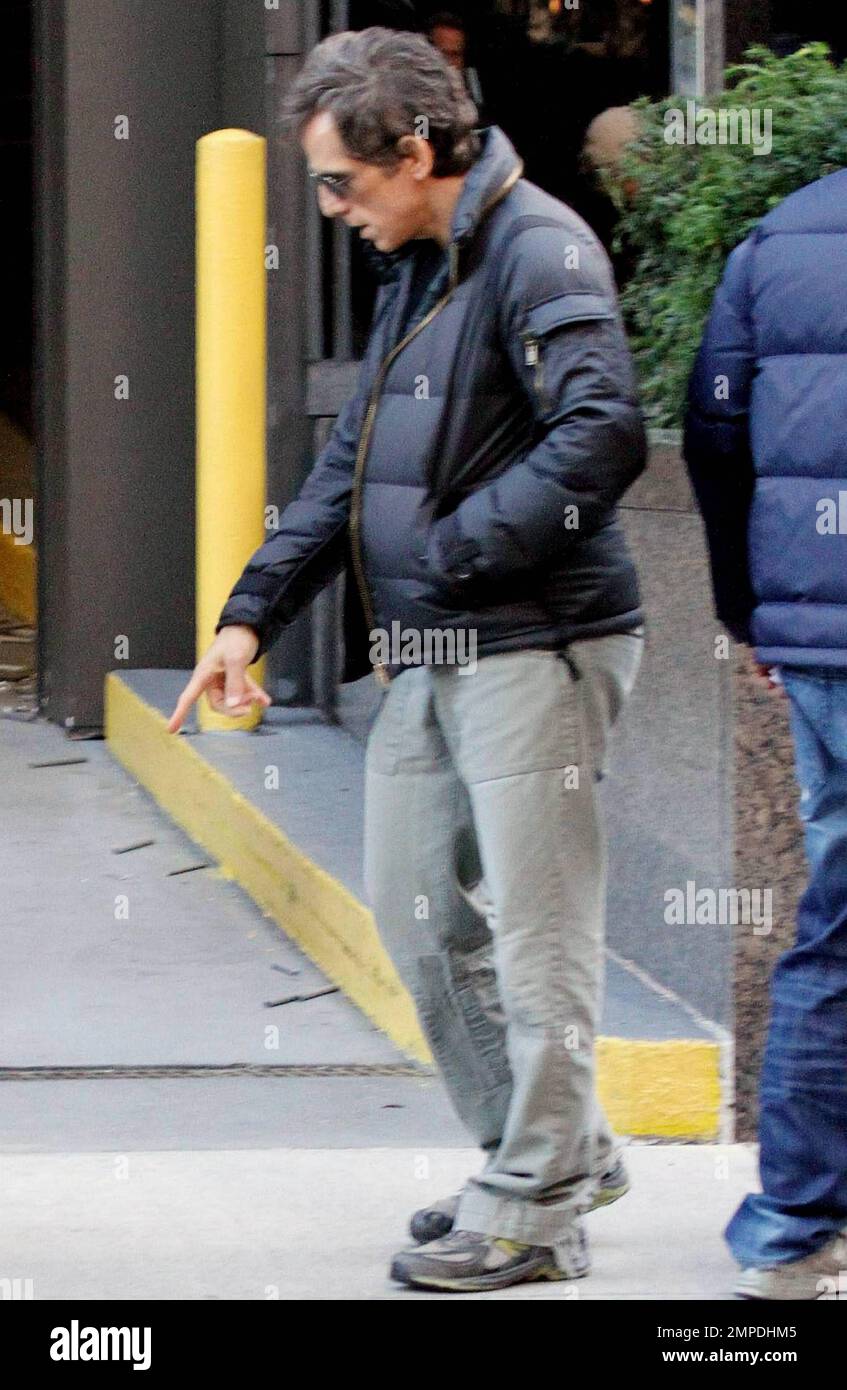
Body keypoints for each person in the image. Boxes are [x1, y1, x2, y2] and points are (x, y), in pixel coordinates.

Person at [169, 26, 647, 1293]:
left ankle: (534, 1205)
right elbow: (348, 470)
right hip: (436, 650)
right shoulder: (420, 266)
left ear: (419, 150)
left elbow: (601, 436)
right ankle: (551, 1150)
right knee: (420, 917)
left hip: (536, 649)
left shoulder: (537, 247)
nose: (332, 210)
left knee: (540, 941)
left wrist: (450, 552)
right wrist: (248, 615)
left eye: (341, 183)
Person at [684, 168, 847, 1300]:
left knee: (831, 926)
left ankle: (793, 1227)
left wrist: (753, 610)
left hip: (821, 645)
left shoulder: (774, 237)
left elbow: (711, 435)